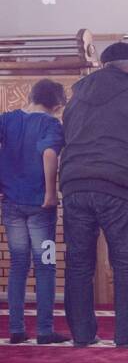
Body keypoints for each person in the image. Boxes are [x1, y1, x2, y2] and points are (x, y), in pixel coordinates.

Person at [59, 41, 128, 347]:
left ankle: (82, 334)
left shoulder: (76, 95)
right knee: (127, 262)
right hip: (117, 185)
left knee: (79, 263)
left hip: (75, 185)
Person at [0, 80, 68, 344]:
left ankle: (16, 329)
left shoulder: (7, 119)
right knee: (46, 264)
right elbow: (50, 155)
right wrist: (51, 193)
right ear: (58, 106)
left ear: (30, 95)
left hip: (12, 202)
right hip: (41, 206)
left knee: (18, 264)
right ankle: (44, 330)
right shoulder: (51, 125)